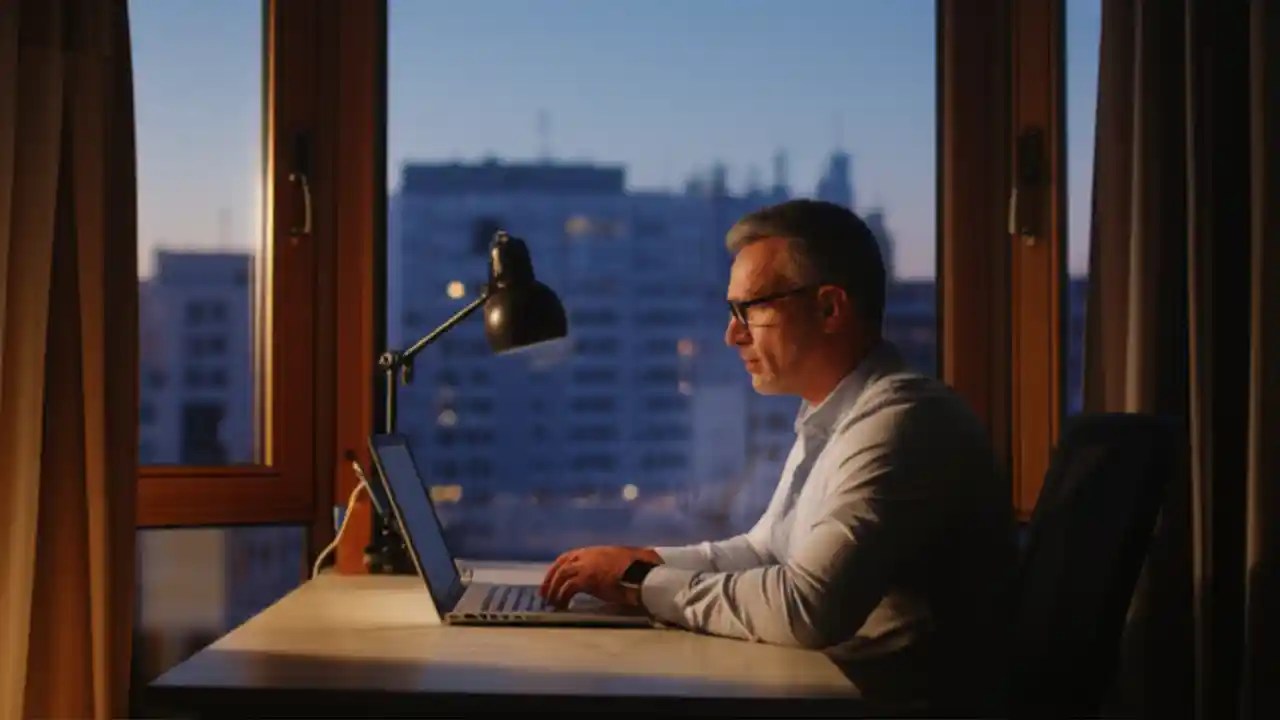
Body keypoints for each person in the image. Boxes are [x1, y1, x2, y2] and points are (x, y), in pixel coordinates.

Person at [539, 198, 1016, 712]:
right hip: (839, 689)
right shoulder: (835, 415)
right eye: (731, 312)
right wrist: (644, 561)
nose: (732, 334)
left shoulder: (901, 421)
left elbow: (805, 607)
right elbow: (767, 550)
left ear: (830, 308)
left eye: (751, 309)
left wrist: (638, 584)